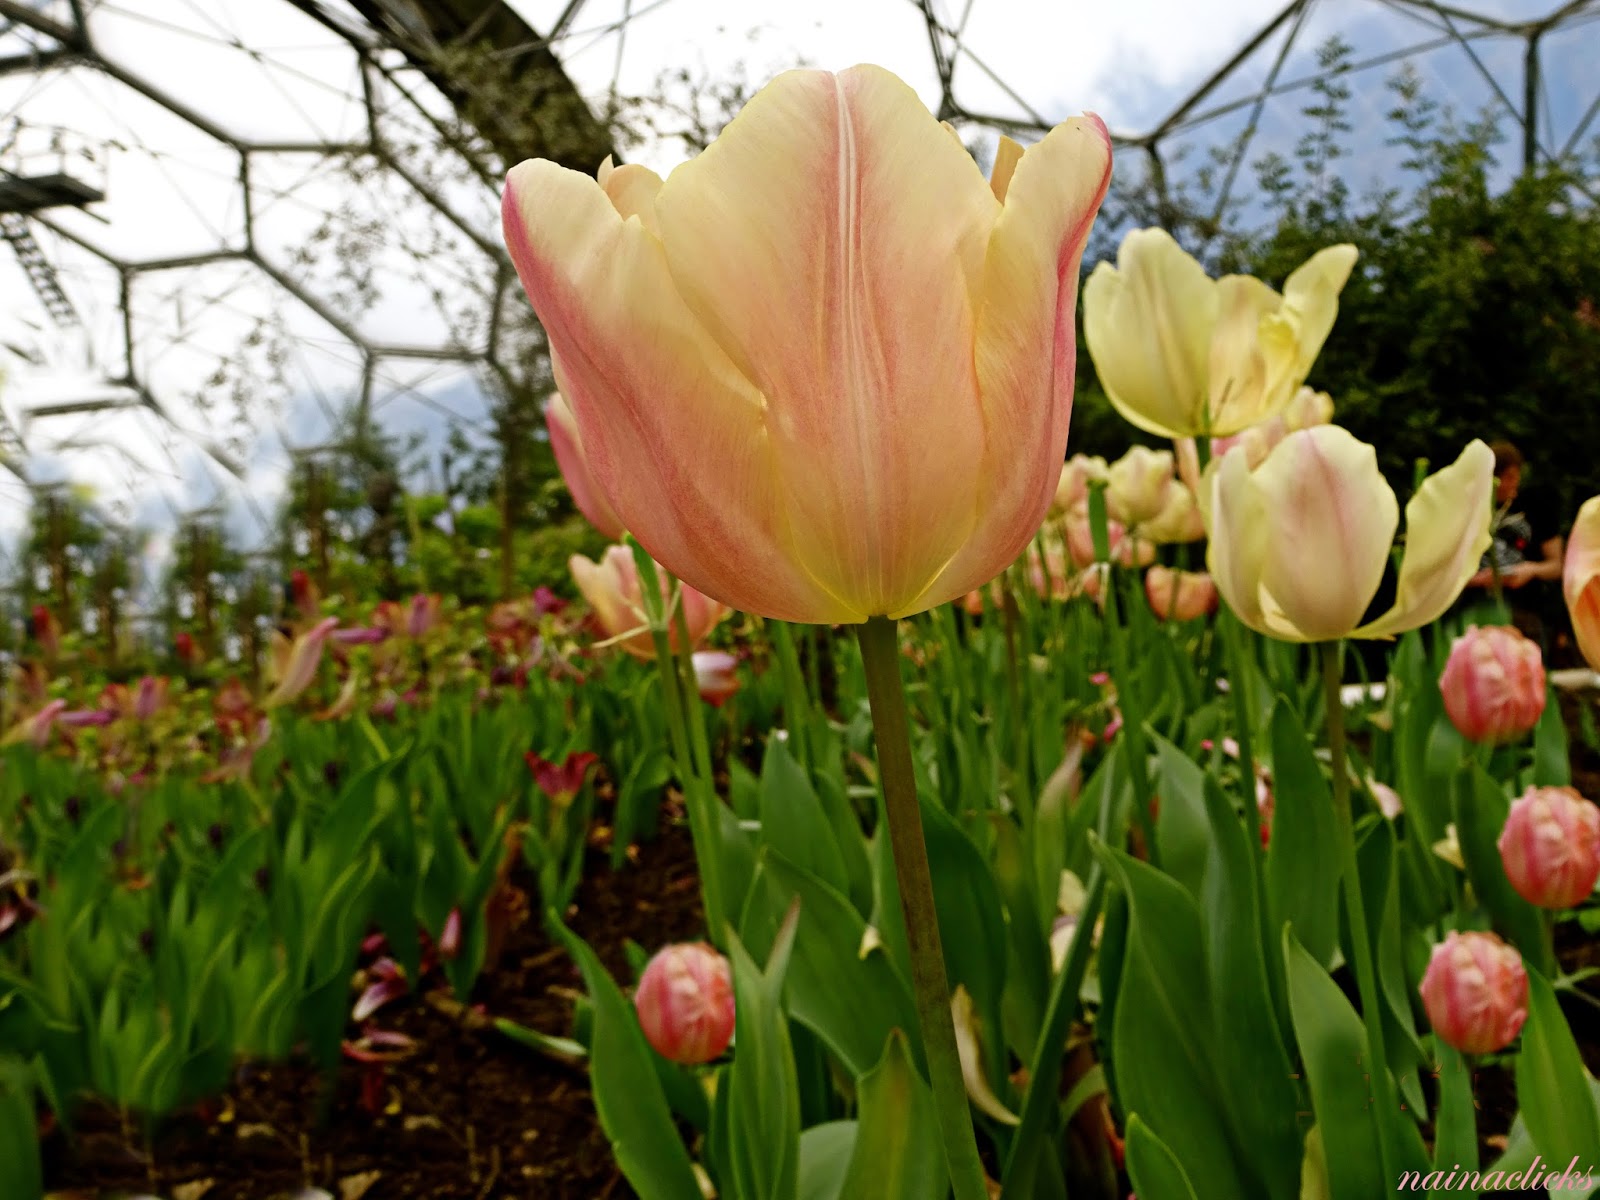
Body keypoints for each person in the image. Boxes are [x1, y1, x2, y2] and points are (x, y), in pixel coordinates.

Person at [1463, 441, 1568, 651]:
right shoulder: (1467, 510)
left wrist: (1529, 570)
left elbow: (1557, 566)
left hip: (1525, 613)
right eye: (1508, 477)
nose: (1514, 483)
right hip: (1475, 614)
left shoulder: (1537, 507)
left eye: (1516, 476)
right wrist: (1476, 580)